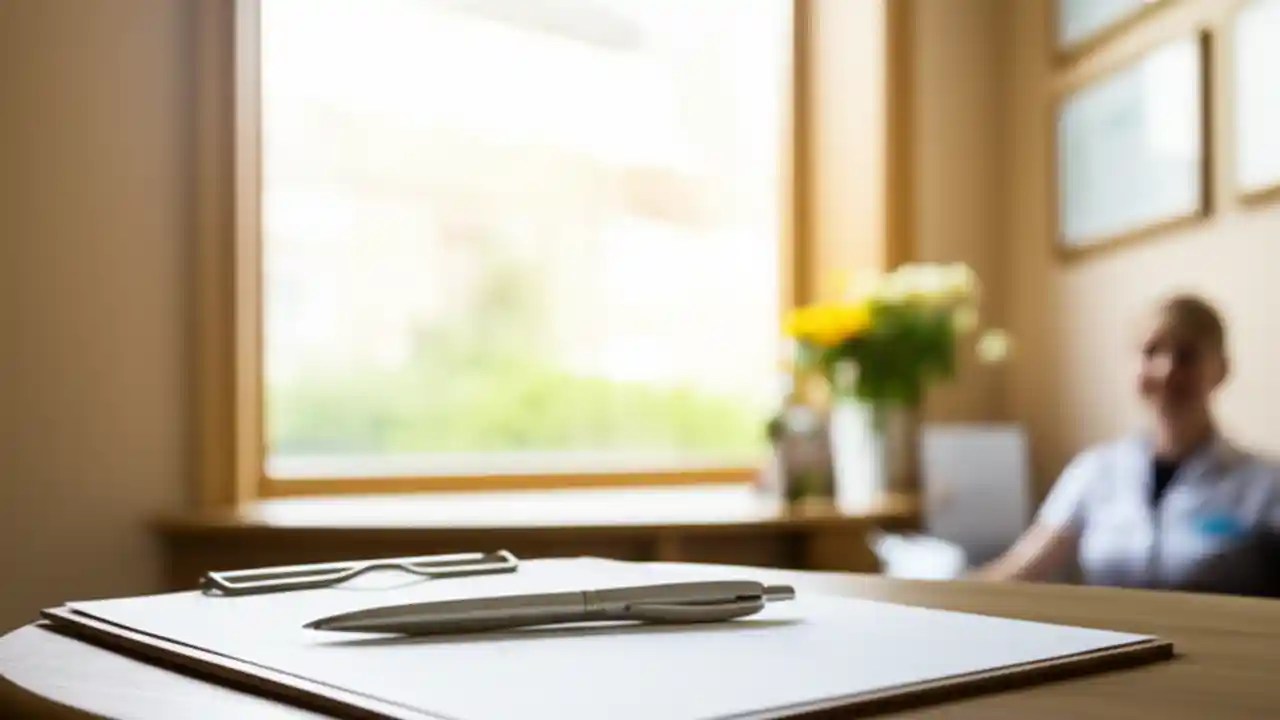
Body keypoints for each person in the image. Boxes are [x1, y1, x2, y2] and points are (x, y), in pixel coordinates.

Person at [978, 295, 1280, 596]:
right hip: (1110, 641)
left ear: (1222, 369)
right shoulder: (1095, 470)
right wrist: (944, 597)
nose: (1166, 370)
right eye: (1151, 352)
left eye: (1186, 355)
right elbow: (1018, 570)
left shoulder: (1265, 484)